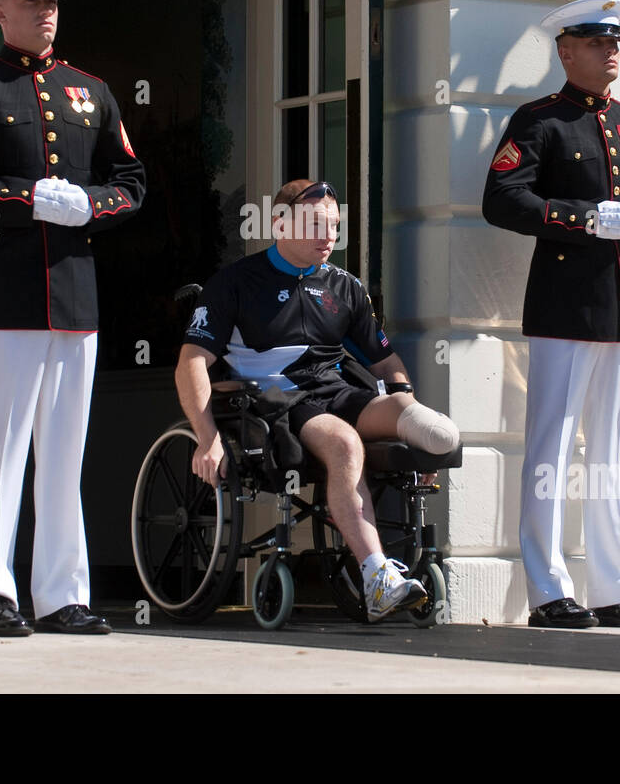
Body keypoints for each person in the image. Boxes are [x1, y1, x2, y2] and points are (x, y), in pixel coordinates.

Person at [0, 0, 145, 636]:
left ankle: (60, 594)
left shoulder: (91, 92)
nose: (45, 11)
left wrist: (88, 205)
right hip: (6, 295)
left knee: (63, 450)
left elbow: (131, 183)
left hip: (73, 297)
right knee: (1, 451)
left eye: (52, 1)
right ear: (0, 9)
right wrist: (25, 199)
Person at [482, 0, 620, 629]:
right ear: (567, 52)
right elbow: (502, 199)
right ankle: (547, 590)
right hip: (563, 307)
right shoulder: (540, 120)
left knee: (611, 455)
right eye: (598, 44)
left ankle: (611, 586)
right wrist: (585, 218)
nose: (611, 52)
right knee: (550, 452)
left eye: (616, 43)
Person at [175, 179, 460, 622]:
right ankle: (377, 576)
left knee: (435, 431)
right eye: (313, 225)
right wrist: (206, 435)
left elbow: (386, 361)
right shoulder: (234, 282)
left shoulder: (344, 286)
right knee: (344, 443)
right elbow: (191, 362)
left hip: (335, 387)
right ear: (279, 224)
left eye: (333, 226)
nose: (327, 236)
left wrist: (406, 402)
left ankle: (418, 464)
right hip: (271, 396)